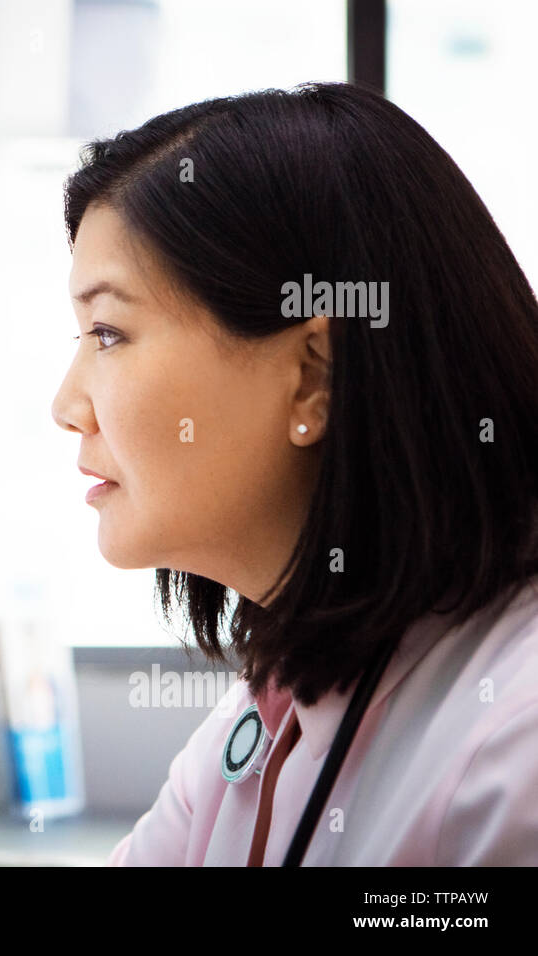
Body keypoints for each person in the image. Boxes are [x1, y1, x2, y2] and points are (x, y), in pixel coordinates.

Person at [51, 82, 538, 865]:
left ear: (312, 375)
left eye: (108, 332)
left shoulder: (515, 743)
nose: (67, 405)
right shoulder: (271, 703)